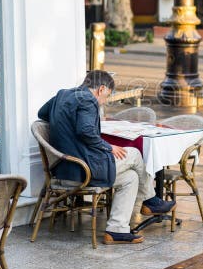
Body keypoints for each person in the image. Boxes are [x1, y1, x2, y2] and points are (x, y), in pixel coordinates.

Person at [37, 70, 175, 245]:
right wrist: (108, 146)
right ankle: (150, 200)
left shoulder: (63, 94)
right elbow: (85, 130)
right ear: (101, 89)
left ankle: (117, 230)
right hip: (82, 170)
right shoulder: (88, 100)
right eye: (107, 96)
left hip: (63, 169)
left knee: (131, 178)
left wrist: (65, 125)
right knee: (134, 154)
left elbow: (42, 114)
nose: (105, 101)